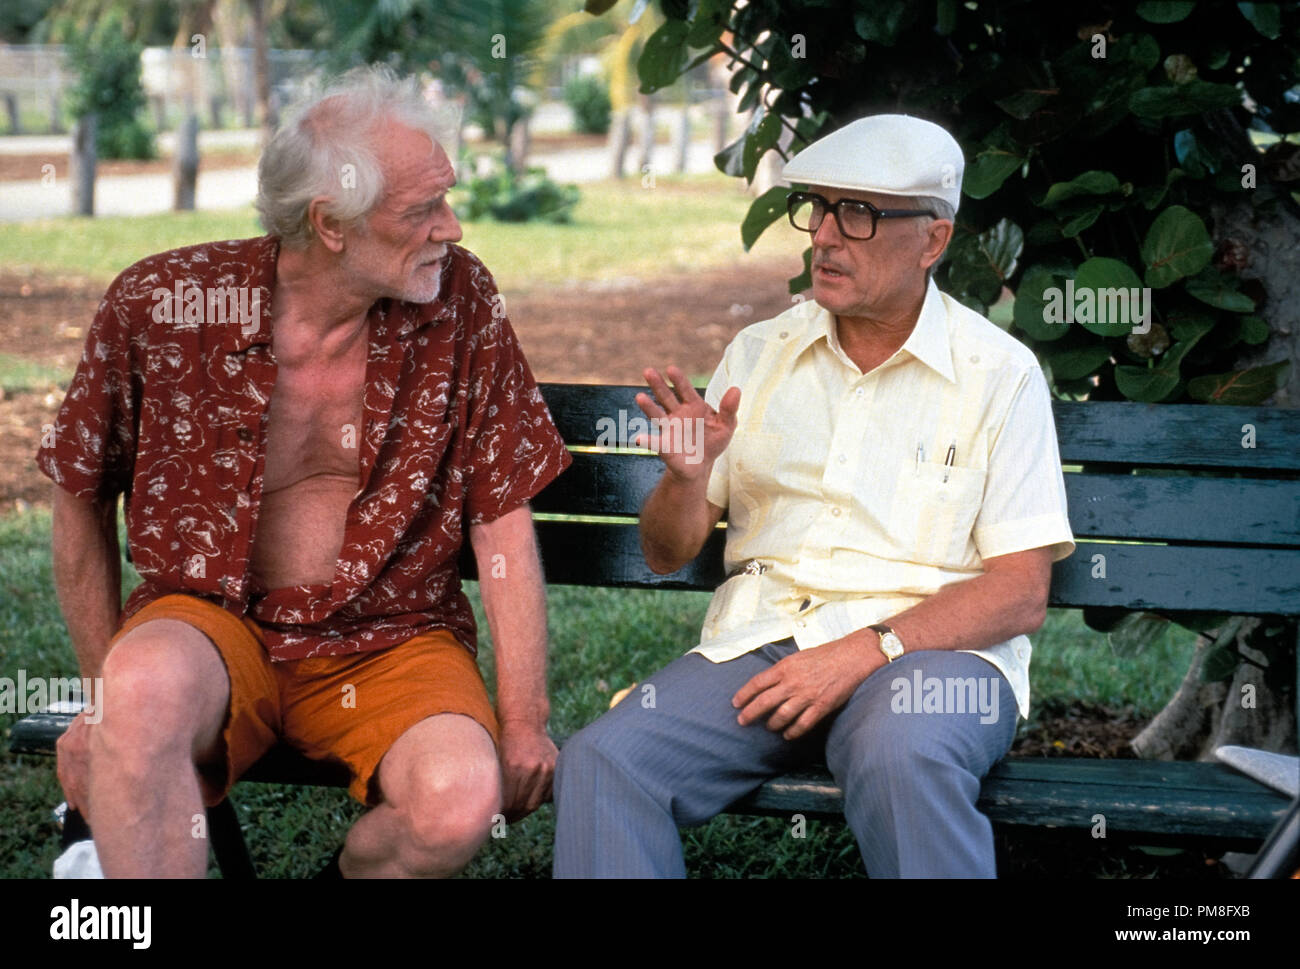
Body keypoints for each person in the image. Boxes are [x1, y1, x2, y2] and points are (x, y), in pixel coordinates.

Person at [37, 66, 570, 878]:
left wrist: (525, 714)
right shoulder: (164, 303)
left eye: (447, 199)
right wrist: (101, 700)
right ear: (331, 225)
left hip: (392, 636)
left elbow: (500, 511)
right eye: (423, 209)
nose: (453, 227)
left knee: (460, 795)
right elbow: (78, 489)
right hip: (211, 623)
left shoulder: (460, 301)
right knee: (139, 696)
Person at [552, 113, 1075, 878]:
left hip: (930, 656)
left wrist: (863, 653)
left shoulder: (1000, 373)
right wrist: (687, 477)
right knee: (604, 761)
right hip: (766, 645)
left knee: (903, 751)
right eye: (819, 208)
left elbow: (1021, 593)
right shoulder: (760, 352)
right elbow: (666, 553)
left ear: (934, 239)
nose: (824, 235)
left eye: (858, 213)